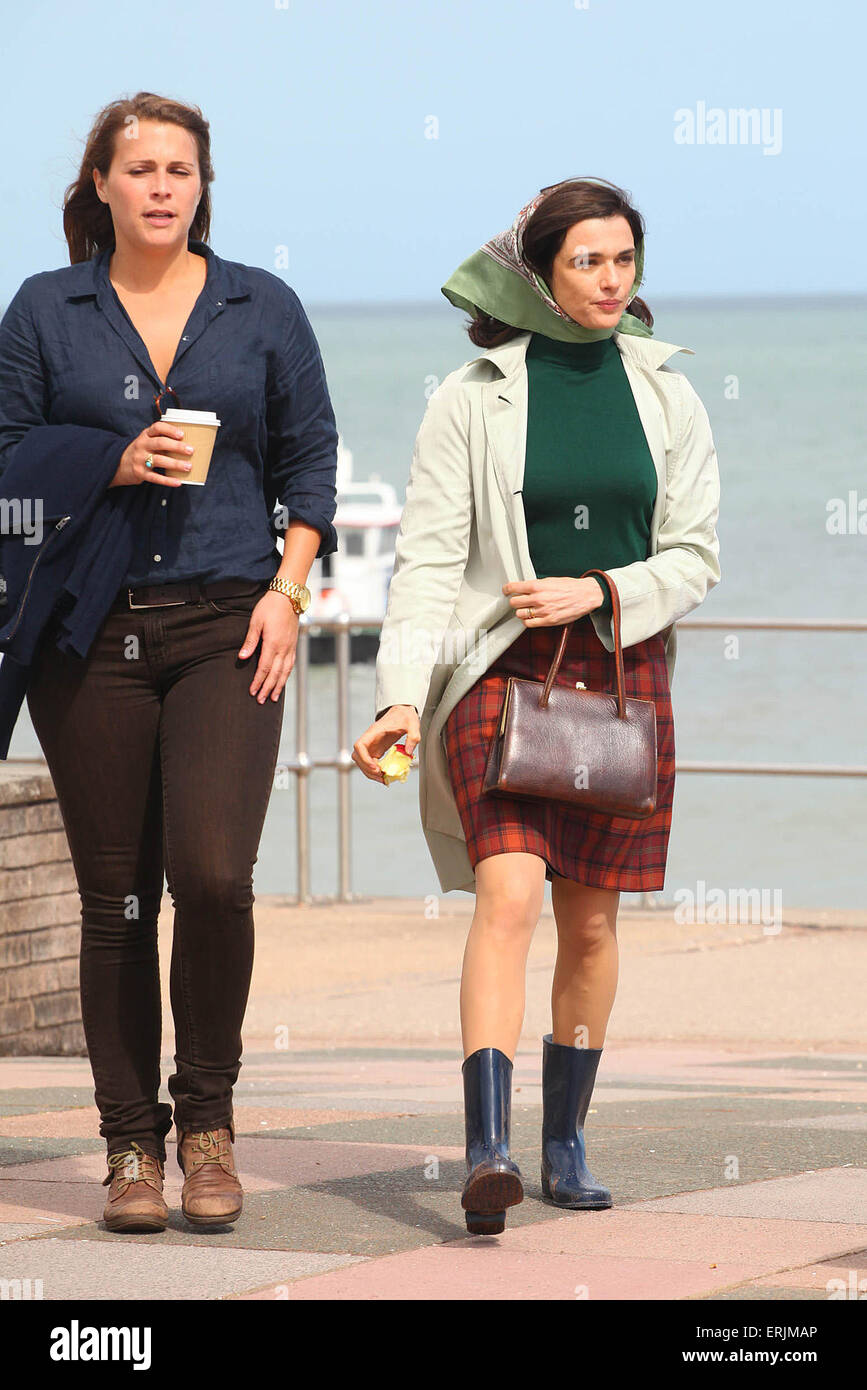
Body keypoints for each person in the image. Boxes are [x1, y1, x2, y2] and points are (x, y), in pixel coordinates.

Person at [352, 177, 721, 1234]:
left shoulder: (670, 395)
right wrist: (398, 700)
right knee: (506, 894)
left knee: (592, 923)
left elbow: (696, 557)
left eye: (624, 260)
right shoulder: (471, 396)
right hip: (497, 670)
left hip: (618, 670)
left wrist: (602, 589)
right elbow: (426, 564)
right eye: (587, 262)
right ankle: (488, 1149)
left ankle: (565, 1141)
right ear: (541, 275)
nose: (611, 281)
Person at [0, 92, 338, 1232]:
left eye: (178, 170)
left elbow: (311, 461)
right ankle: (129, 1151)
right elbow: (2, 465)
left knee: (210, 876)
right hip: (86, 634)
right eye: (138, 168)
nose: (159, 187)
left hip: (228, 624)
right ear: (100, 183)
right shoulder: (46, 310)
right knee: (115, 900)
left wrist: (291, 592)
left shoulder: (261, 305)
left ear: (202, 184)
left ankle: (208, 1126)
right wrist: (110, 459)